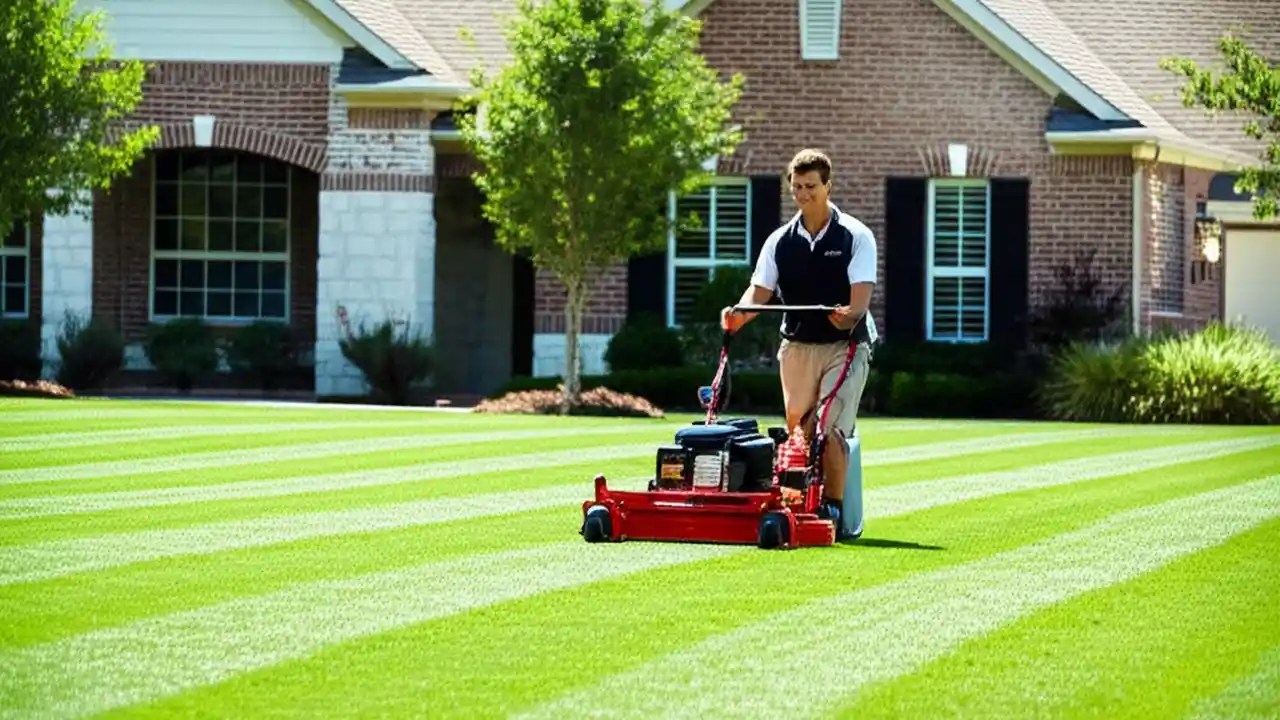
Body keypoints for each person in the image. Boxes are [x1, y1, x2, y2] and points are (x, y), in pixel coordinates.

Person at [720, 148, 877, 539]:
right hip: (797, 345)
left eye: (811, 186)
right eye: (797, 187)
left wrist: (848, 315)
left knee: (828, 428)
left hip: (845, 346)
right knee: (799, 431)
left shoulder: (855, 236)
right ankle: (798, 501)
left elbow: (859, 303)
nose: (804, 194)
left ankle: (834, 513)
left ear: (828, 186)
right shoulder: (779, 242)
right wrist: (738, 314)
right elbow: (759, 292)